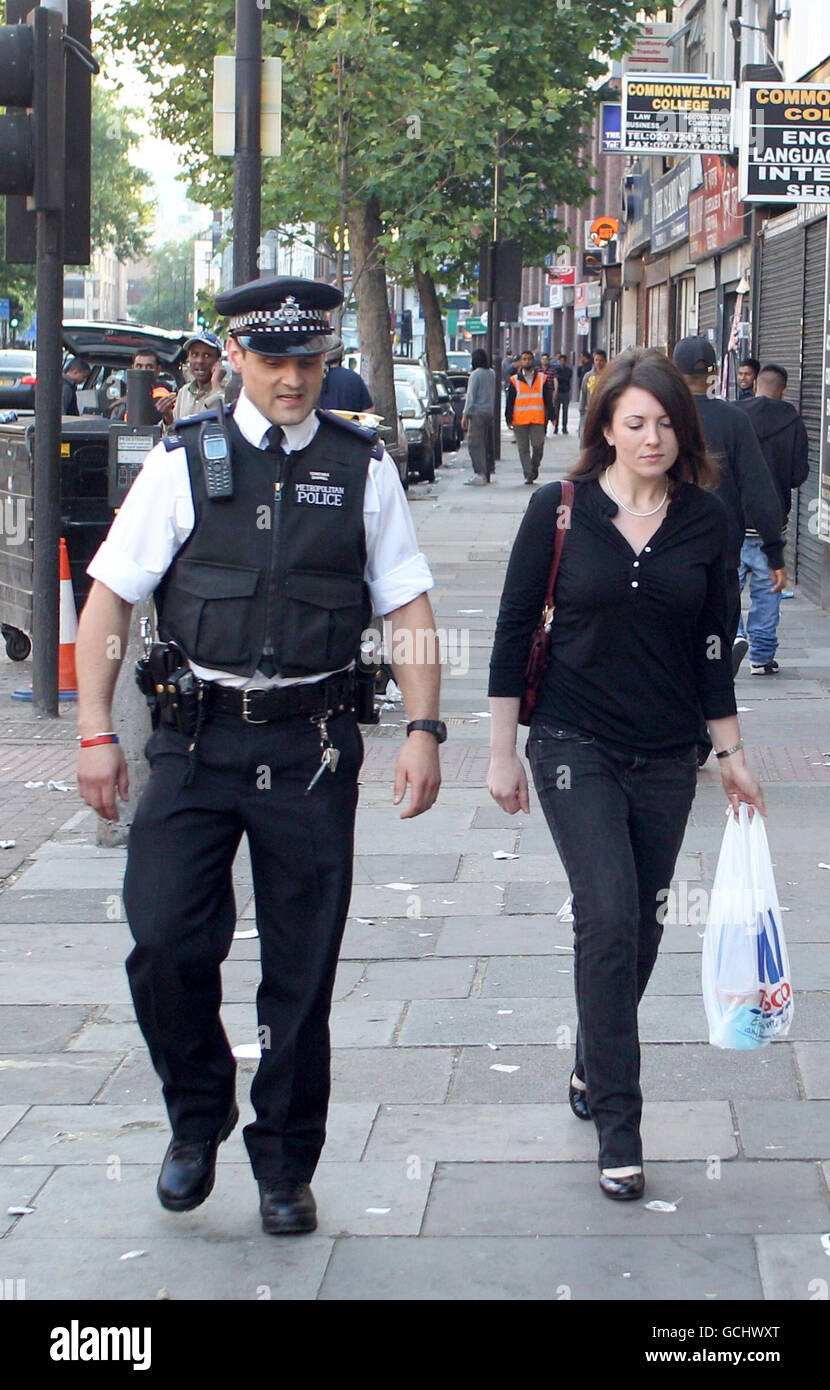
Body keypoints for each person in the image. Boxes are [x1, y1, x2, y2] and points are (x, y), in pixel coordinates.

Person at [75, 275, 444, 1237]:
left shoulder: (362, 467)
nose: (292, 379)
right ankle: (196, 1119)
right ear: (232, 356)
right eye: (273, 360)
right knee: (163, 941)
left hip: (311, 748)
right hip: (195, 745)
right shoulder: (180, 463)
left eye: (308, 362)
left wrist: (423, 727)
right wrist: (96, 733)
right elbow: (111, 598)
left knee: (301, 969)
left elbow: (405, 606)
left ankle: (285, 1162)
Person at [487, 347, 765, 1202]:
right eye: (635, 422)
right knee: (607, 916)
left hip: (666, 753)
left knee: (639, 928)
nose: (653, 438)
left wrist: (730, 753)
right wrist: (502, 749)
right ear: (604, 425)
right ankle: (620, 1122)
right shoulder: (558, 509)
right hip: (574, 743)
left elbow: (713, 645)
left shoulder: (707, 522)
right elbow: (507, 631)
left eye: (666, 424)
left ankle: (589, 1052)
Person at [672, 337, 785, 676]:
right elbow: (759, 490)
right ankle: (716, 673)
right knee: (714, 638)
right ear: (715, 373)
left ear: (673, 373)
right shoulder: (733, 420)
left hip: (666, 549)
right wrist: (774, 552)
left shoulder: (661, 419)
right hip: (720, 552)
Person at [736, 363, 810, 674]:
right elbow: (798, 475)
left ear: (755, 386)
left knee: (727, 585)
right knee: (769, 590)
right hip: (772, 522)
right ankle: (761, 657)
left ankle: (734, 636)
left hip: (735, 520)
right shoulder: (793, 421)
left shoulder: (735, 415)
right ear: (783, 391)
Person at [505, 349, 554, 484]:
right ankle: (528, 474)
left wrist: (552, 414)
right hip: (520, 419)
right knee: (523, 449)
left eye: (529, 359)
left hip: (537, 418)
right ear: (521, 361)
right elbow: (510, 400)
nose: (527, 361)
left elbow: (547, 398)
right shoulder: (515, 380)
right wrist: (508, 417)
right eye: (524, 359)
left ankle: (534, 466)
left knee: (538, 446)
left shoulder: (541, 379)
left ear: (533, 361)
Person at [173, 330, 227, 420]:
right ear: (188, 359)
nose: (200, 361)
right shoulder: (184, 392)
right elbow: (174, 431)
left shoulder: (228, 391)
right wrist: (168, 418)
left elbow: (221, 423)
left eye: (207, 356)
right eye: (194, 355)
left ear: (218, 361)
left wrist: (216, 385)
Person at [461, 347, 496, 486]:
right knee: (486, 443)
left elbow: (471, 396)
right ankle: (488, 470)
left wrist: (465, 415)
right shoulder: (491, 373)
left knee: (475, 444)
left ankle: (479, 473)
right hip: (489, 412)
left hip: (477, 413)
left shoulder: (475, 375)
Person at [317, 345, 373, 412]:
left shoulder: (313, 378)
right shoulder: (354, 378)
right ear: (341, 356)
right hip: (348, 422)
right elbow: (368, 411)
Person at [578, 349, 607, 439]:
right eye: (596, 360)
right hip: (589, 410)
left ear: (605, 361)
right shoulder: (588, 376)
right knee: (585, 436)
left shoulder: (609, 376)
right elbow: (583, 392)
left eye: (601, 360)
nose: (598, 363)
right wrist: (581, 409)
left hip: (604, 411)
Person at [552, 352, 573, 434]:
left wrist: (560, 378)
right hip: (558, 392)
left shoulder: (568, 370)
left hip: (565, 392)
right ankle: (555, 427)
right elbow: (557, 378)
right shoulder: (556, 369)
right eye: (560, 360)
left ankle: (564, 427)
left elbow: (567, 378)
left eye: (563, 360)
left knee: (565, 411)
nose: (562, 362)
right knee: (556, 411)